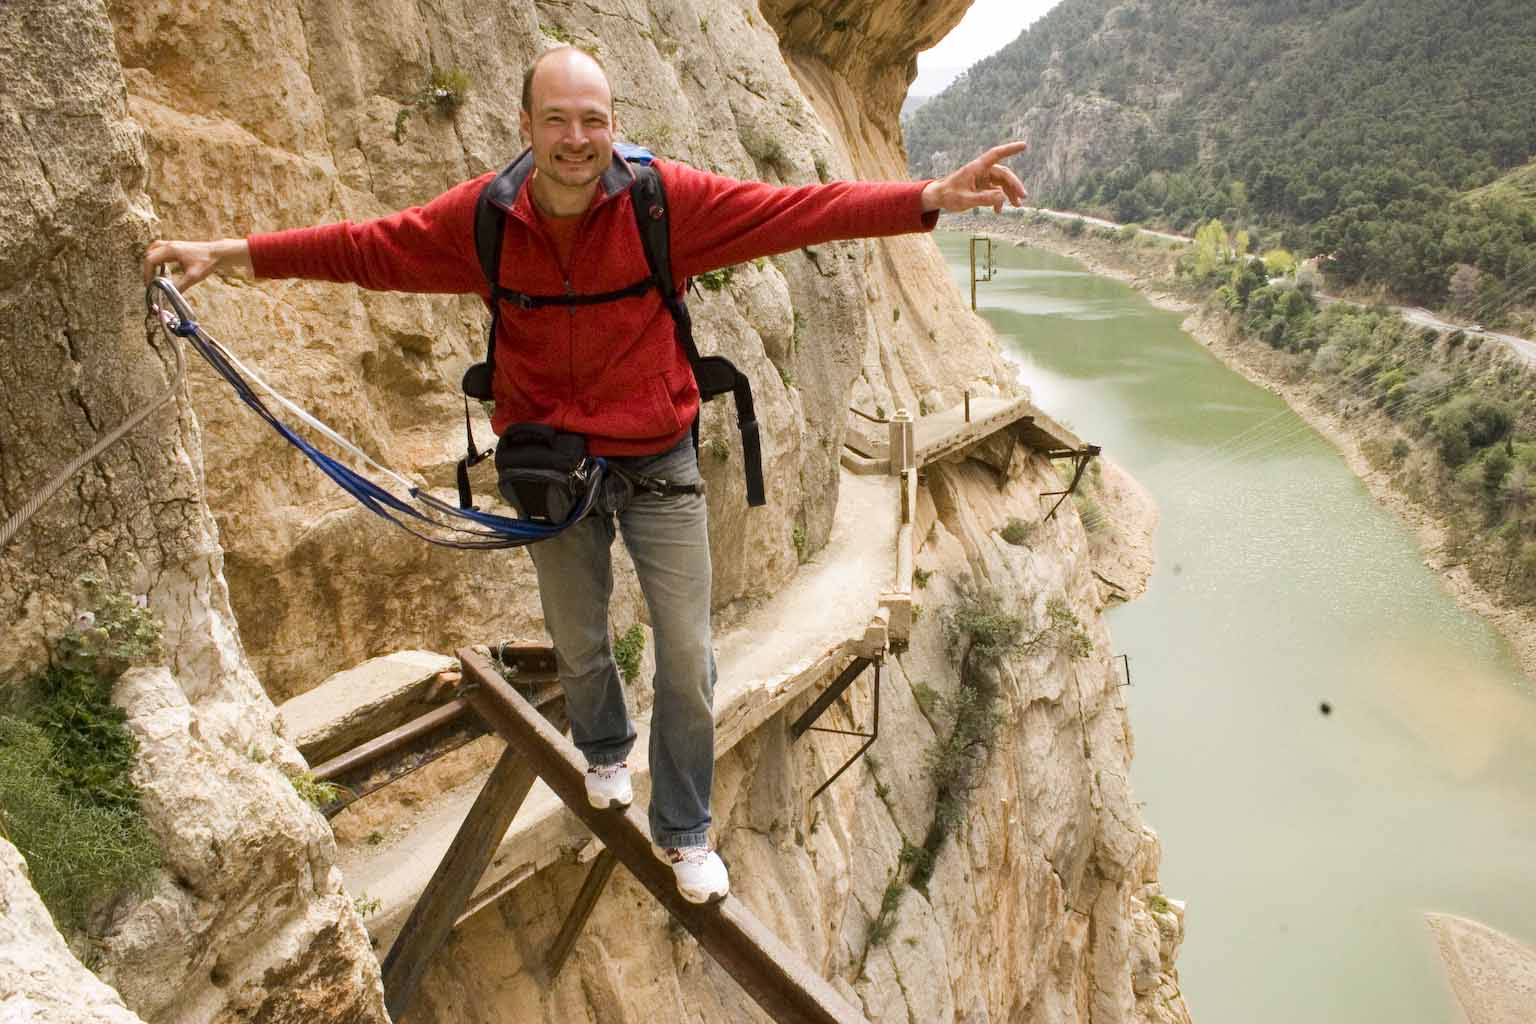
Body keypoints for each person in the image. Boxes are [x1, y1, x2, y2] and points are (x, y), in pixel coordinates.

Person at [145, 46, 1028, 904]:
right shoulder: (485, 219)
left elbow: (795, 210)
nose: (576, 138)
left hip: (657, 460)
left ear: (616, 127)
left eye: (594, 121)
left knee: (687, 655)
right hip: (554, 471)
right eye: (557, 120)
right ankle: (604, 746)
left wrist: (927, 196)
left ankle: (684, 829)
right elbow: (366, 249)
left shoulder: (660, 204)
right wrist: (231, 254)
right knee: (578, 639)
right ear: (524, 125)